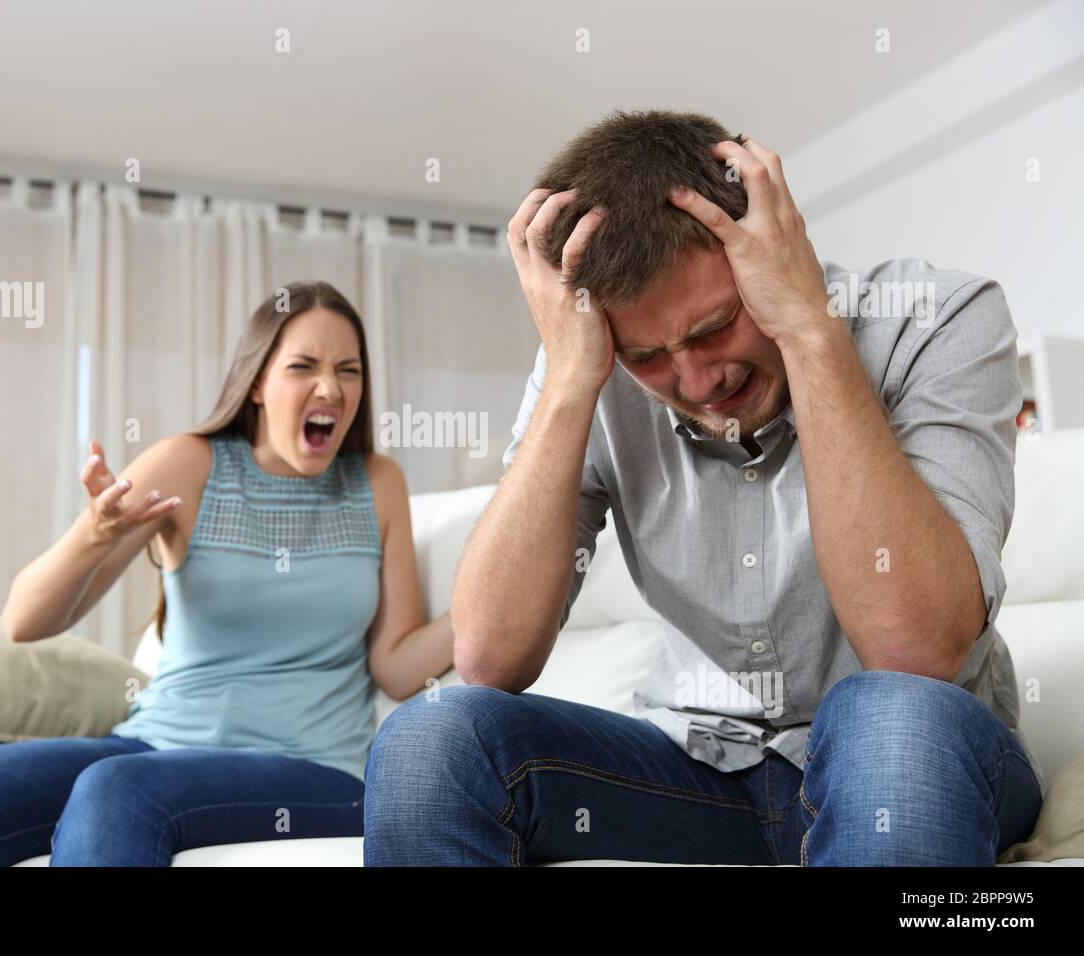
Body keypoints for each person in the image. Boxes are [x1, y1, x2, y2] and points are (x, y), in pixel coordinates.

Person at [363, 109, 1044, 867]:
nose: (696, 382)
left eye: (717, 327)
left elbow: (912, 650)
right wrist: (569, 385)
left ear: (770, 243)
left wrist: (808, 332)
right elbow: (489, 657)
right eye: (649, 354)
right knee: (430, 737)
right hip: (697, 776)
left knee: (893, 719)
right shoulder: (587, 368)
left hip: (917, 763)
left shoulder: (938, 319)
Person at [0, 280, 454, 866]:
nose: (331, 388)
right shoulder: (192, 465)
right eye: (304, 366)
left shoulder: (376, 483)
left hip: (318, 771)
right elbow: (24, 621)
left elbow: (397, 666)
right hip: (154, 746)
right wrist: (95, 534)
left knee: (119, 791)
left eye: (349, 370)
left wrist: (505, 601)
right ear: (259, 382)